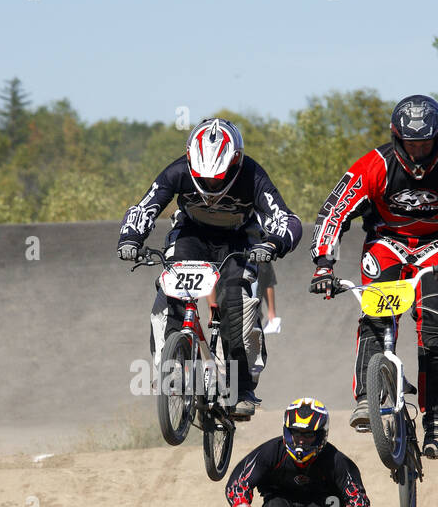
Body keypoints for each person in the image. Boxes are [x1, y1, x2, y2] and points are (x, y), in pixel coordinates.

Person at [308, 94, 438, 460]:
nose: (418, 153)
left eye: (425, 144)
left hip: (436, 248)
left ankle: (435, 418)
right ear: (397, 139)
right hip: (386, 242)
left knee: (437, 326)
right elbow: (335, 211)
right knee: (376, 316)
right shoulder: (375, 164)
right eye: (411, 144)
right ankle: (366, 398)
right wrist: (324, 264)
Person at [117, 118, 302, 418]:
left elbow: (286, 219)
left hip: (239, 240)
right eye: (204, 178)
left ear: (235, 162)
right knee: (170, 290)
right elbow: (146, 206)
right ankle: (170, 369)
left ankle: (241, 386)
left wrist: (273, 244)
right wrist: (130, 238)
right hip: (191, 235)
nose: (211, 185)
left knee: (236, 301)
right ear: (190, 161)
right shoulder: (177, 171)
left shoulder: (253, 175)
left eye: (218, 178)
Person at [225, 398, 370, 507]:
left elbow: (358, 497)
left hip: (318, 502)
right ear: (287, 432)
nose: (301, 441)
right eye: (296, 434)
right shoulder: (271, 451)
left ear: (321, 434)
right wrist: (241, 504)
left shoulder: (335, 460)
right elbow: (239, 481)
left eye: (308, 435)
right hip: (279, 498)